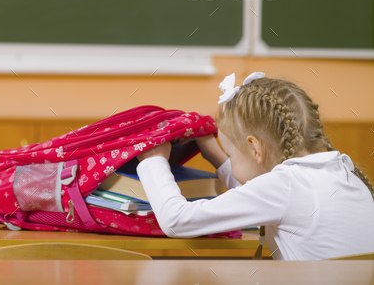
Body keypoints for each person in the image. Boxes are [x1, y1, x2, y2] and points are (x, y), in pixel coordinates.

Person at [136, 72, 374, 260]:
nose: (228, 156)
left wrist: (153, 160)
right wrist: (215, 154)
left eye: (231, 153)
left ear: (256, 149)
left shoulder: (284, 185)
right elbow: (254, 191)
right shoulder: (344, 172)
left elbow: (176, 221)